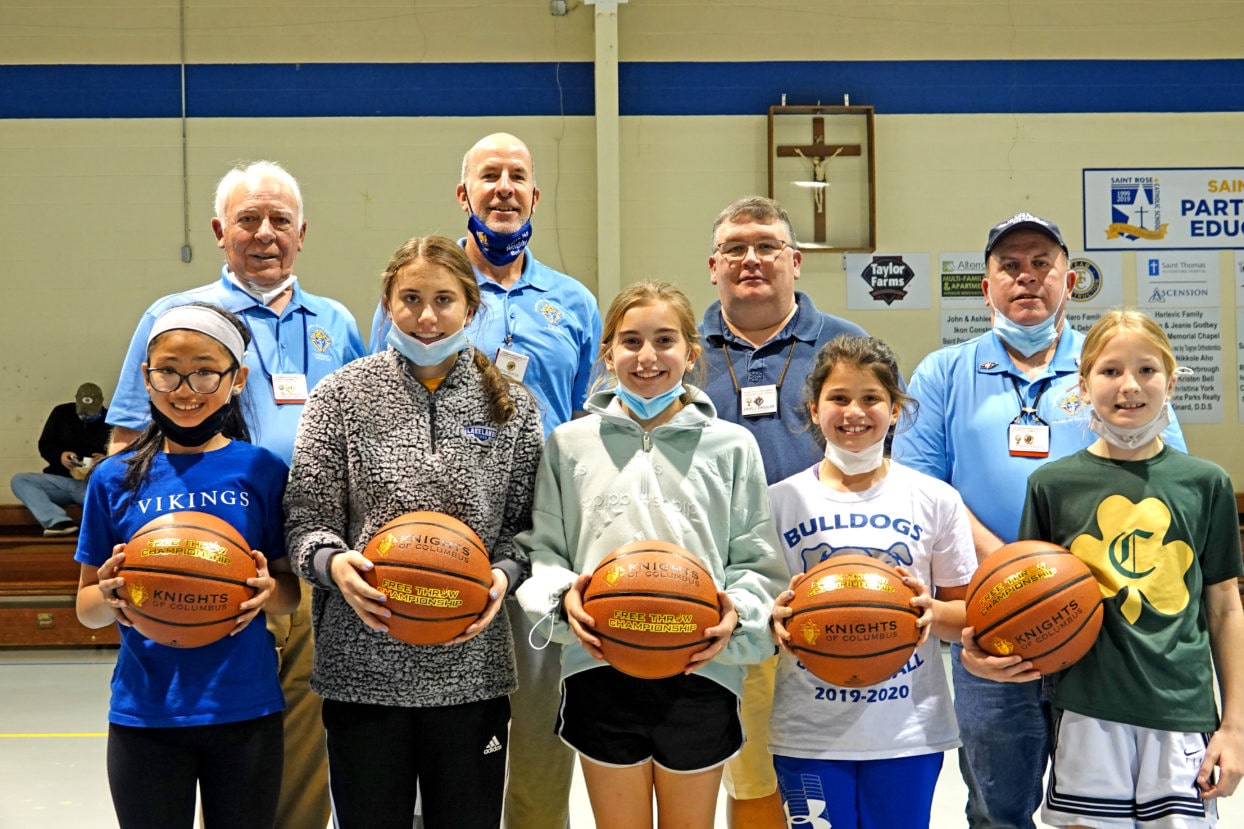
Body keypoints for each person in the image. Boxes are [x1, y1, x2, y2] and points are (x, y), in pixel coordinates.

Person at [891, 213, 1187, 829]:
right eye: (1011, 266)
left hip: (1103, 619)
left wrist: (1069, 578)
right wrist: (1016, 573)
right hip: (990, 619)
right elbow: (922, 490)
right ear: (987, 286)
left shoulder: (1112, 366)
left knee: (1097, 807)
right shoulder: (943, 372)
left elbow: (1163, 475)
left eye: (1042, 264)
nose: (1028, 278)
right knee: (998, 807)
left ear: (1069, 279)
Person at [105, 160, 363, 829]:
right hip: (197, 560)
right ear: (221, 230)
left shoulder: (336, 321)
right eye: (248, 219)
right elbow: (125, 448)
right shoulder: (174, 316)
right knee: (194, 737)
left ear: (304, 232)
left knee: (301, 752)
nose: (265, 233)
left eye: (280, 219)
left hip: (304, 565)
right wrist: (141, 564)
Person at [369, 132, 601, 829]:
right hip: (435, 543)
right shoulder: (422, 295)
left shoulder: (575, 302)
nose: (503, 186)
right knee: (433, 729)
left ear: (535, 196)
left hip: (543, 545)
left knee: (536, 732)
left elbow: (588, 419)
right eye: (488, 175)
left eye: (517, 176)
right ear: (463, 195)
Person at [284, 236, 544, 829]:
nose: (427, 316)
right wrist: (332, 565)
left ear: (470, 309)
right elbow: (305, 520)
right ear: (387, 305)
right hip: (362, 670)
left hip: (471, 669)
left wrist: (504, 577)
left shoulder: (515, 407)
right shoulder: (339, 396)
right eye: (411, 299)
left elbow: (526, 529)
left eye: (444, 300)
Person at [516, 281, 787, 829]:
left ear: (691, 354)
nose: (647, 357)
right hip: (599, 661)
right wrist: (564, 597)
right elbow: (542, 551)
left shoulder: (731, 445)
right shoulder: (568, 443)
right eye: (631, 341)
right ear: (608, 354)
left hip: (701, 666)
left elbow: (757, 561)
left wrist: (737, 612)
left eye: (664, 340)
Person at [969, 309, 1243, 827]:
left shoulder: (1206, 483)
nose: (1129, 386)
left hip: (1182, 712)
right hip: (1086, 711)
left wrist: (1235, 728)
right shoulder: (1053, 485)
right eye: (1111, 370)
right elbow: (1020, 604)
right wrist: (983, 650)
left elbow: (1226, 608)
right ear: (1084, 382)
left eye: (1146, 370)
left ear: (1172, 380)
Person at [74, 303, 301, 828]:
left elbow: (288, 592)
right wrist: (106, 595)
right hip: (146, 709)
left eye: (204, 371)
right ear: (146, 379)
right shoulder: (114, 478)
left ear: (236, 378)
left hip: (245, 706)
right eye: (168, 372)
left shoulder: (262, 470)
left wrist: (271, 590)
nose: (185, 388)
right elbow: (86, 610)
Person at [698, 195, 867, 828]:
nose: (751, 259)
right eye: (734, 248)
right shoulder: (679, 351)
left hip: (831, 585)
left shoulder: (849, 345)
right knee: (745, 767)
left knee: (828, 762)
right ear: (712, 266)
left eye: (767, 246)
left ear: (795, 262)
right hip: (721, 591)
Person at [767, 335, 976, 829]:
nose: (854, 412)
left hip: (907, 730)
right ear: (814, 409)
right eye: (838, 398)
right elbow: (760, 610)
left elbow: (966, 614)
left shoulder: (934, 498)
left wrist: (930, 613)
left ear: (896, 408)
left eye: (871, 398)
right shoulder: (779, 501)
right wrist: (768, 619)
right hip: (807, 729)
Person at [10, 382, 109, 536]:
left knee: (113, 495)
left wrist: (106, 460)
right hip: (59, 480)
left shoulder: (112, 422)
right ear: (76, 400)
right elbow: (45, 445)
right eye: (82, 411)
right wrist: (60, 456)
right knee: (20, 480)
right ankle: (57, 522)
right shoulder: (61, 413)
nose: (85, 416)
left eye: (91, 413)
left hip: (90, 484)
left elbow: (125, 456)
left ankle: (100, 531)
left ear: (101, 402)